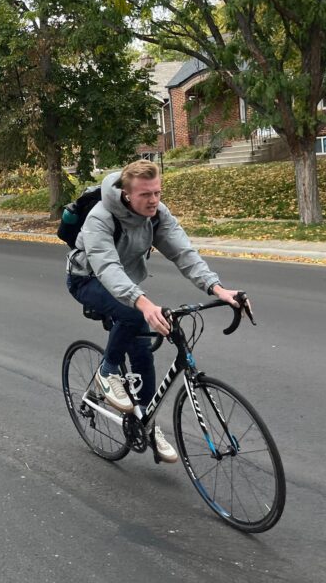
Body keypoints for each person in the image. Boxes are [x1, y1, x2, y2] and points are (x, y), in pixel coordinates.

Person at [66, 159, 244, 464]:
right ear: (126, 194)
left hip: (129, 287)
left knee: (143, 356)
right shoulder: (101, 218)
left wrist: (218, 288)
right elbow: (107, 268)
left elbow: (184, 254)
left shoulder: (157, 216)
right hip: (88, 280)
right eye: (145, 195)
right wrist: (144, 303)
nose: (153, 201)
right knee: (133, 314)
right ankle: (106, 374)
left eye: (157, 193)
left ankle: (145, 424)